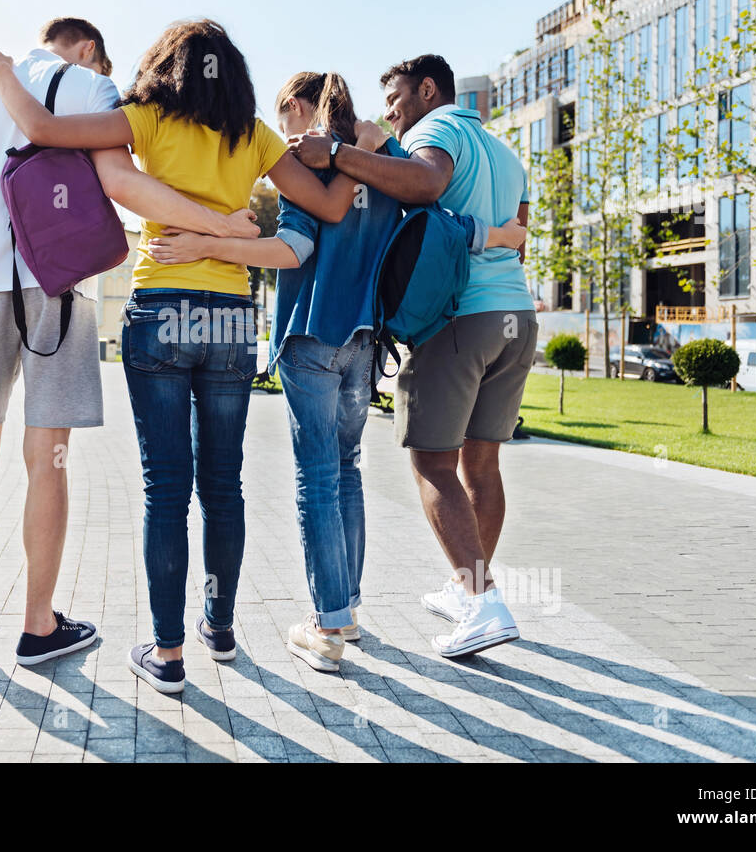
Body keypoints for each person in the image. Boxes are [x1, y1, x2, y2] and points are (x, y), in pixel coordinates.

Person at [0, 19, 380, 693]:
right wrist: (355, 148)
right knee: (224, 484)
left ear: (165, 66)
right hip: (227, 318)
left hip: (162, 311)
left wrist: (0, 74)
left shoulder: (146, 116)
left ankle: (167, 655)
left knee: (167, 488)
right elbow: (333, 207)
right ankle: (218, 628)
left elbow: (42, 130)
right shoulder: (251, 133)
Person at [150, 72, 524, 672]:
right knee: (346, 471)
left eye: (284, 116)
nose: (283, 136)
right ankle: (346, 611)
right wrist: (500, 234)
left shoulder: (313, 160)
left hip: (312, 334)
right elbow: (434, 217)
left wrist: (206, 245)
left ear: (297, 107)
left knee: (317, 477)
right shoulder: (384, 155)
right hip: (365, 342)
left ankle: (325, 625)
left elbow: (294, 250)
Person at [0, 17, 258, 669]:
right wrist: (220, 226)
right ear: (87, 48)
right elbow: (123, 183)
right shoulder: (89, 86)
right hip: (60, 284)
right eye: (103, 61)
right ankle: (38, 624)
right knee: (46, 454)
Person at [292, 54, 537, 659]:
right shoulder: (505, 153)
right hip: (516, 318)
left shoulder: (436, 129)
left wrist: (340, 156)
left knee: (432, 464)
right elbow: (521, 235)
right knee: (482, 466)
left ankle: (482, 602)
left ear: (429, 90)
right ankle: (468, 586)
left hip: (460, 320)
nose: (392, 113)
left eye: (398, 98)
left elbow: (425, 184)